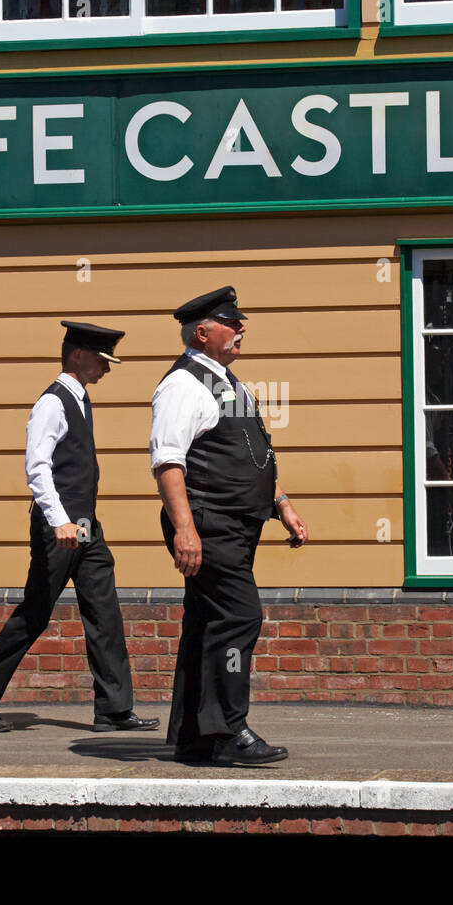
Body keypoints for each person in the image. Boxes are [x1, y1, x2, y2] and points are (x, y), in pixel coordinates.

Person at [0, 321, 159, 734]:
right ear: (78, 355)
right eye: (102, 360)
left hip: (86, 525)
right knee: (35, 613)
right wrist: (59, 521)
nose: (107, 368)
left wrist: (81, 521)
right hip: (61, 527)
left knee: (104, 612)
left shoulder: (80, 400)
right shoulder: (52, 403)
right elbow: (38, 467)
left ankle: (113, 709)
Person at [150, 286, 309, 764]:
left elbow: (249, 452)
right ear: (202, 332)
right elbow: (168, 462)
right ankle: (227, 731)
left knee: (207, 622)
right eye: (230, 321)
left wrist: (280, 502)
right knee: (240, 617)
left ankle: (194, 735)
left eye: (240, 321)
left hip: (234, 524)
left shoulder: (225, 381)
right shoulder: (183, 385)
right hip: (207, 522)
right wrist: (184, 530)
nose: (241, 328)